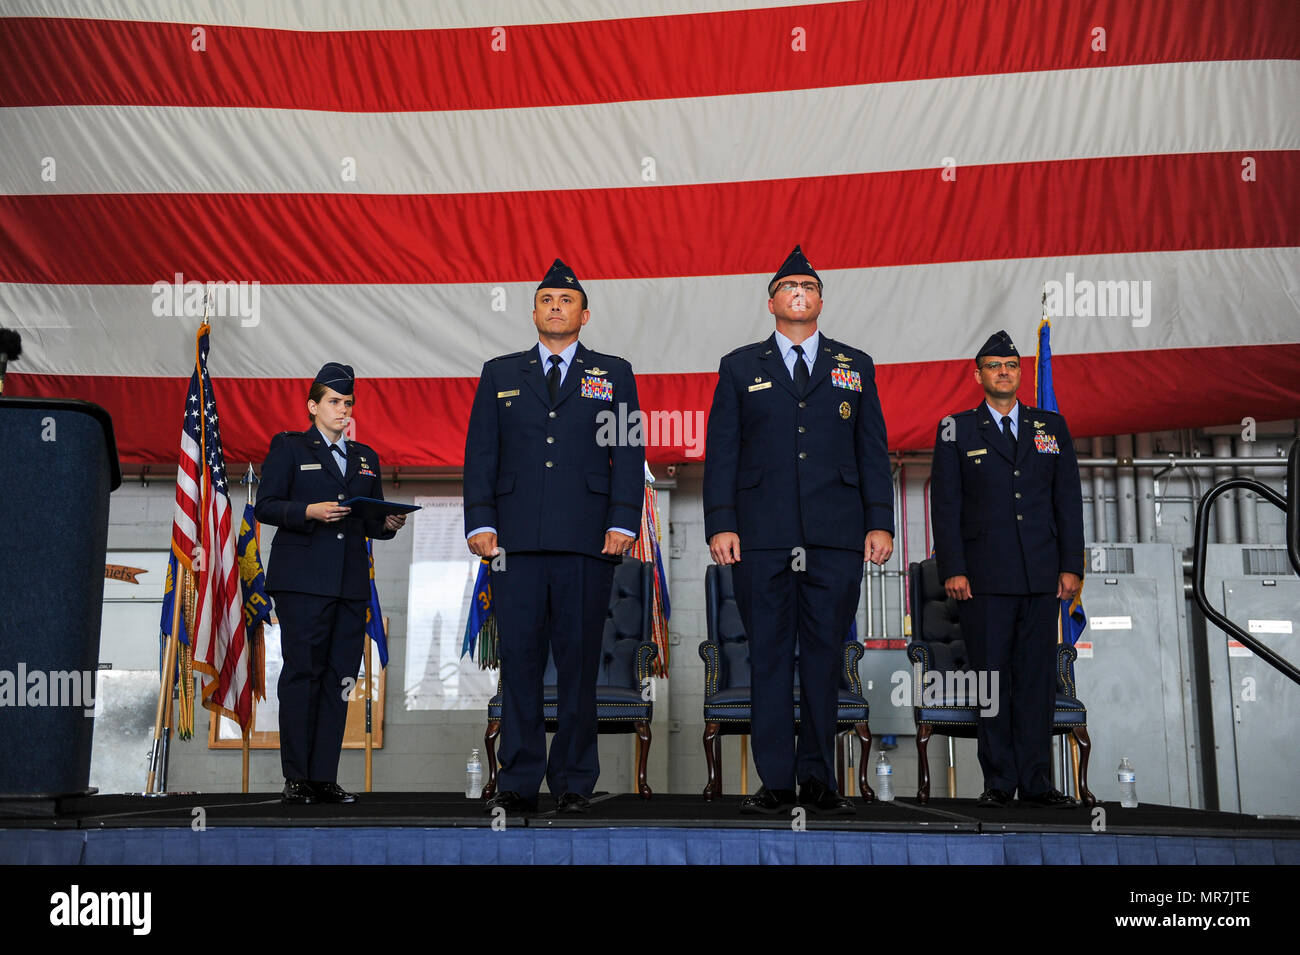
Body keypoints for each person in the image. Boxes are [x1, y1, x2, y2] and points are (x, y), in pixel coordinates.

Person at [703, 245, 894, 815]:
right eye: (789, 286)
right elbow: (723, 453)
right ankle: (777, 781)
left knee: (823, 656)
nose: (799, 293)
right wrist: (721, 523)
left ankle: (816, 778)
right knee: (767, 654)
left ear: (819, 300)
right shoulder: (740, 365)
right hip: (760, 537)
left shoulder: (853, 365)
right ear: (772, 302)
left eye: (808, 286)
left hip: (836, 536)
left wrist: (879, 522)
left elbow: (871, 450)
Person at [463, 258, 644, 814]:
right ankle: (517, 781)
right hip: (512, 544)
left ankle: (572, 781)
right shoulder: (500, 373)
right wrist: (481, 521)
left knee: (578, 664)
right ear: (534, 311)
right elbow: (481, 454)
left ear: (584, 314)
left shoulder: (613, 373)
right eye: (546, 299)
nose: (556, 306)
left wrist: (622, 521)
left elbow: (628, 452)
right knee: (518, 663)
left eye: (566, 300)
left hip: (589, 542)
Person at [929, 330, 1084, 808]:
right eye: (994, 365)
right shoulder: (955, 428)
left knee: (1035, 680)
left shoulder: (1050, 427)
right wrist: (953, 568)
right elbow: (946, 504)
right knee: (991, 681)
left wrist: (1071, 565)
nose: (1004, 372)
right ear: (978, 375)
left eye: (1011, 365)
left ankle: (1036, 782)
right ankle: (999, 781)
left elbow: (1067, 502)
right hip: (982, 580)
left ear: (1020, 373)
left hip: (1041, 576)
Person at [255, 363, 407, 805]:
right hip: (302, 581)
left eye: (348, 403)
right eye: (335, 403)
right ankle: (297, 778)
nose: (343, 410)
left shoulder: (365, 457)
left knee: (340, 678)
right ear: (313, 407)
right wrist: (309, 512)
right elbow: (265, 506)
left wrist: (389, 523)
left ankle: (323, 776)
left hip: (349, 582)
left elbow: (370, 520)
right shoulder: (289, 447)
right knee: (303, 675)